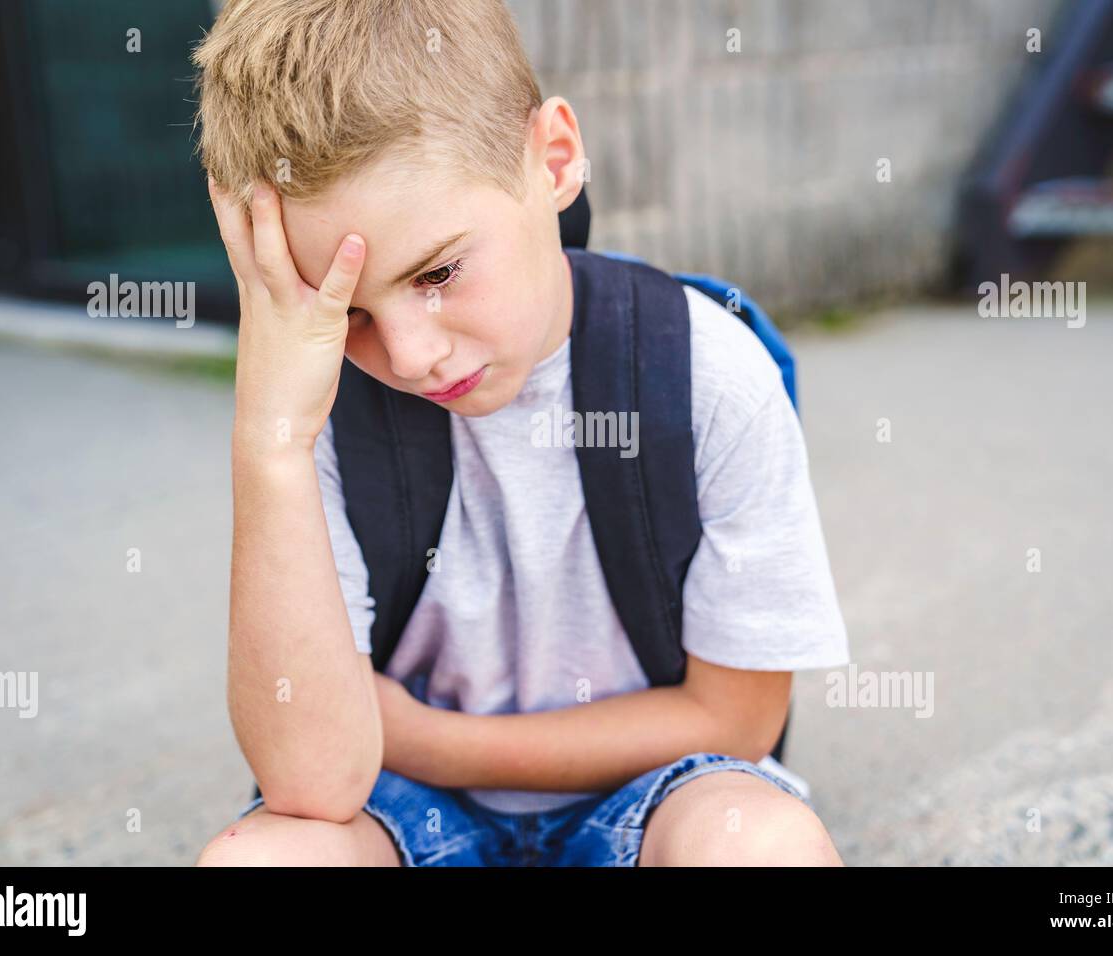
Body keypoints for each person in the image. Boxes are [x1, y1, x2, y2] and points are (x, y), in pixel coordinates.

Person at [191, 0, 849, 866]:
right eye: (346, 316)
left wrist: (418, 732)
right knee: (258, 859)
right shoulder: (310, 411)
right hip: (400, 807)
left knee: (763, 847)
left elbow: (736, 720)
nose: (412, 354)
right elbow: (314, 785)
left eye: (438, 272)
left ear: (555, 160)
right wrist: (269, 444)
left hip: (659, 791)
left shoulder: (707, 372)